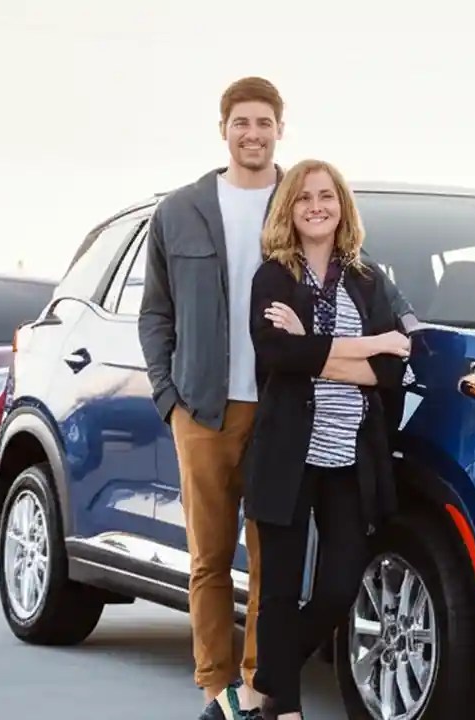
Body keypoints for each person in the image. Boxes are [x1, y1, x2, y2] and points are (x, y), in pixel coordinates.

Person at [138, 75, 287, 719]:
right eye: (241, 123)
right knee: (211, 557)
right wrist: (168, 396)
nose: (252, 134)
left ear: (282, 127)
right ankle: (216, 688)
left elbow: (355, 278)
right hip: (202, 410)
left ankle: (256, 684)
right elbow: (155, 314)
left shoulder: (300, 201)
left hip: (283, 407)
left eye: (264, 123)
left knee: (272, 557)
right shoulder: (180, 210)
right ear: (223, 129)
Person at [244, 158, 412, 719]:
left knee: (341, 587)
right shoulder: (274, 276)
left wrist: (315, 348)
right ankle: (284, 711)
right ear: (289, 210)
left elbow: (392, 371)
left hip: (348, 458)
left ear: (343, 206)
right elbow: (275, 355)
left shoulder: (367, 279)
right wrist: (366, 343)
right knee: (280, 592)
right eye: (304, 197)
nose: (317, 206)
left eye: (327, 196)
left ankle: (261, 684)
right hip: (287, 456)